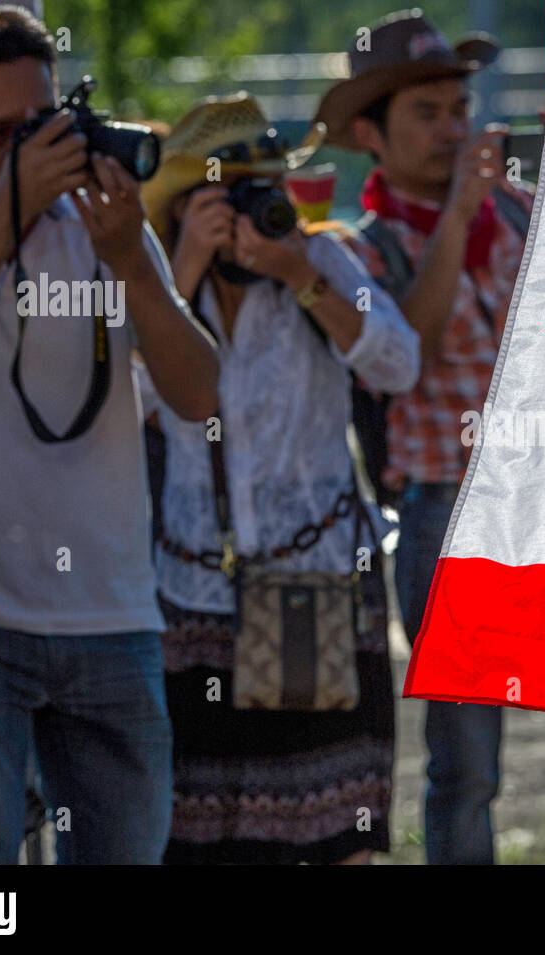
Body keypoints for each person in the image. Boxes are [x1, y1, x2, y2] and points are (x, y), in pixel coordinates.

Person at [0, 7, 219, 864]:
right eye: (3, 135)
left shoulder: (102, 227)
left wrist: (132, 263)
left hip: (108, 611)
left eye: (44, 125)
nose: (36, 152)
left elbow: (201, 395)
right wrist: (9, 214)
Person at [314, 8, 545, 865]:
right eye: (424, 115)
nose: (449, 130)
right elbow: (405, 350)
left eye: (455, 109)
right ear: (370, 134)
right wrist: (460, 212)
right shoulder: (359, 248)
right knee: (466, 762)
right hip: (446, 510)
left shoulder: (524, 214)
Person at [139, 92, 419, 864]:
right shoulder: (158, 279)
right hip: (197, 597)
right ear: (190, 203)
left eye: (263, 188)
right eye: (230, 194)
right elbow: (125, 402)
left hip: (317, 585)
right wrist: (186, 267)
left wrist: (299, 271)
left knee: (333, 831)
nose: (252, 209)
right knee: (203, 833)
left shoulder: (319, 257)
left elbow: (399, 363)